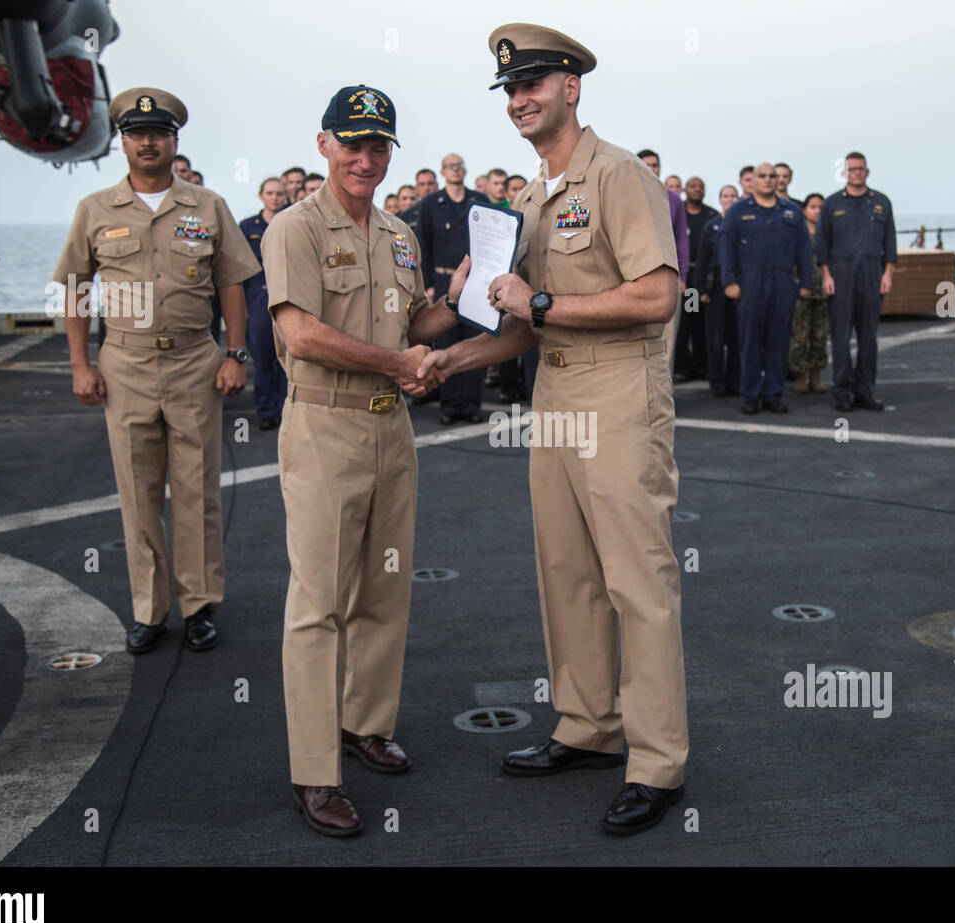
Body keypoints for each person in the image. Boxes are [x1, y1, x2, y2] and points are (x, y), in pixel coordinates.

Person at [421, 23, 688, 836]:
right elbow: (522, 328)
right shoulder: (535, 198)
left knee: (636, 582)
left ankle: (658, 760)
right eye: (509, 89)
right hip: (556, 397)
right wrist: (444, 361)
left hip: (618, 397)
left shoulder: (619, 177)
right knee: (566, 575)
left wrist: (539, 303)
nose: (519, 99)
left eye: (532, 83)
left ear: (572, 86)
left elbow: (657, 294)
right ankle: (588, 727)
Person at [261, 84, 468, 837]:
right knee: (318, 604)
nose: (366, 157)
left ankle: (364, 724)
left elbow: (419, 323)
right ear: (324, 145)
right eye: (353, 143)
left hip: (390, 429)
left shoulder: (400, 234)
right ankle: (315, 771)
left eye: (379, 145)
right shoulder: (295, 228)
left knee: (385, 589)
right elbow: (302, 337)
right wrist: (398, 361)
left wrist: (465, 301)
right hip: (325, 427)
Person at [55, 87, 260, 654]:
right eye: (137, 133)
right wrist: (79, 365)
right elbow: (76, 288)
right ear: (123, 142)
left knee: (198, 491)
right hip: (124, 364)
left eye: (159, 133)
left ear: (175, 141)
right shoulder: (95, 209)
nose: (148, 141)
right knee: (138, 493)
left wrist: (235, 354)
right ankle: (149, 610)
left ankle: (199, 606)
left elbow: (232, 284)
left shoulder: (207, 205)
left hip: (195, 359)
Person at [720, 162, 811, 414]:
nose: (768, 180)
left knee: (779, 342)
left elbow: (804, 250)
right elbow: (726, 249)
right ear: (754, 180)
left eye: (772, 176)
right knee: (749, 341)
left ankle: (773, 393)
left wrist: (806, 283)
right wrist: (729, 281)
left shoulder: (792, 212)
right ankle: (750, 394)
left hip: (783, 283)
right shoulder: (738, 211)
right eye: (762, 176)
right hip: (750, 283)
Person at [815, 151, 896, 412]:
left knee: (868, 337)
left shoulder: (881, 203)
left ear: (867, 172)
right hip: (840, 275)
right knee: (840, 337)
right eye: (852, 169)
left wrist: (887, 275)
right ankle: (842, 391)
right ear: (844, 173)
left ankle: (865, 390)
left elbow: (890, 244)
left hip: (872, 274)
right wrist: (826, 276)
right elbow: (822, 245)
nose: (857, 173)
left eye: (861, 169)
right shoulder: (831, 204)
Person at [415, 152, 490, 424]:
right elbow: (422, 245)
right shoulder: (430, 204)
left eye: (460, 165)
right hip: (444, 280)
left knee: (474, 341)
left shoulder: (479, 201)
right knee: (445, 342)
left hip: (475, 280)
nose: (456, 170)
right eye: (450, 166)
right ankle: (449, 405)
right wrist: (430, 285)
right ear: (443, 172)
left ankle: (471, 405)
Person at [240, 177, 290, 430]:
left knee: (288, 359)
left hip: (287, 298)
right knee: (262, 360)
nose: (275, 197)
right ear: (261, 196)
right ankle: (266, 410)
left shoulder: (293, 223)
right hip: (258, 297)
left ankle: (285, 409)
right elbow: (239, 269)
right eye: (270, 193)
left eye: (279, 193)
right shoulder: (248, 226)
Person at [637, 149, 690, 375]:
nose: (652, 169)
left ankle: (665, 391)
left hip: (667, 276)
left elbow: (681, 240)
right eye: (646, 164)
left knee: (667, 338)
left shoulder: (674, 200)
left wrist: (683, 277)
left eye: (655, 164)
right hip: (634, 277)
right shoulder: (626, 195)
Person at [697, 184, 740, 395]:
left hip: (739, 288)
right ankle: (717, 382)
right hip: (715, 288)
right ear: (720, 199)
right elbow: (702, 260)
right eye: (725, 196)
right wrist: (701, 290)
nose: (729, 199)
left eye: (733, 196)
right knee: (714, 337)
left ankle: (735, 381)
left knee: (737, 337)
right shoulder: (711, 226)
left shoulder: (743, 225)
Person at [789, 192, 829, 394]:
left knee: (820, 336)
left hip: (823, 291)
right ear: (805, 210)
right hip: (802, 291)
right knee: (799, 336)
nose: (817, 211)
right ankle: (799, 375)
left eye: (821, 207)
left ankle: (816, 375)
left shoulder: (828, 235)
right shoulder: (798, 233)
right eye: (813, 207)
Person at [679, 175, 716, 381]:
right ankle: (684, 367)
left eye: (700, 187)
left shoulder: (711, 215)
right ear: (685, 189)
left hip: (703, 276)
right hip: (685, 276)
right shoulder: (678, 213)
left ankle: (701, 365)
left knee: (701, 323)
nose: (697, 190)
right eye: (692, 186)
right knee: (686, 322)